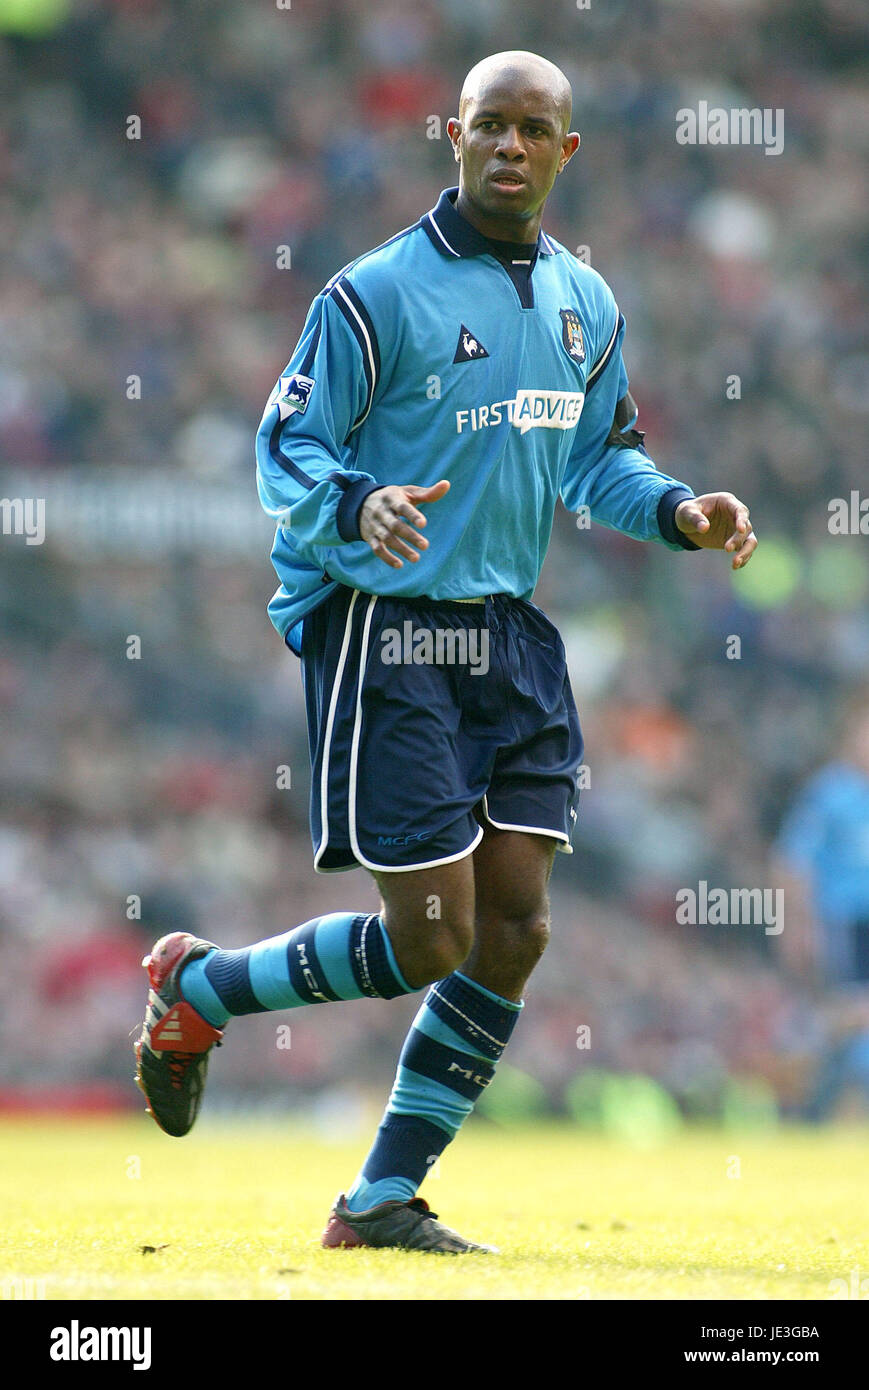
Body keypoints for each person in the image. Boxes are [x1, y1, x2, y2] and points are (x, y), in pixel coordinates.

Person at [135, 50, 757, 1253]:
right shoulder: (373, 294)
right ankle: (197, 992)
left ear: (565, 151)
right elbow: (287, 447)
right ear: (452, 136)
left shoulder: (588, 302)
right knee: (432, 936)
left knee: (515, 928)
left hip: (508, 634)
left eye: (533, 130)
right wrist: (356, 502)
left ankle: (378, 1200)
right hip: (390, 628)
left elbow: (597, 460)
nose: (510, 146)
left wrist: (679, 509)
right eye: (489, 126)